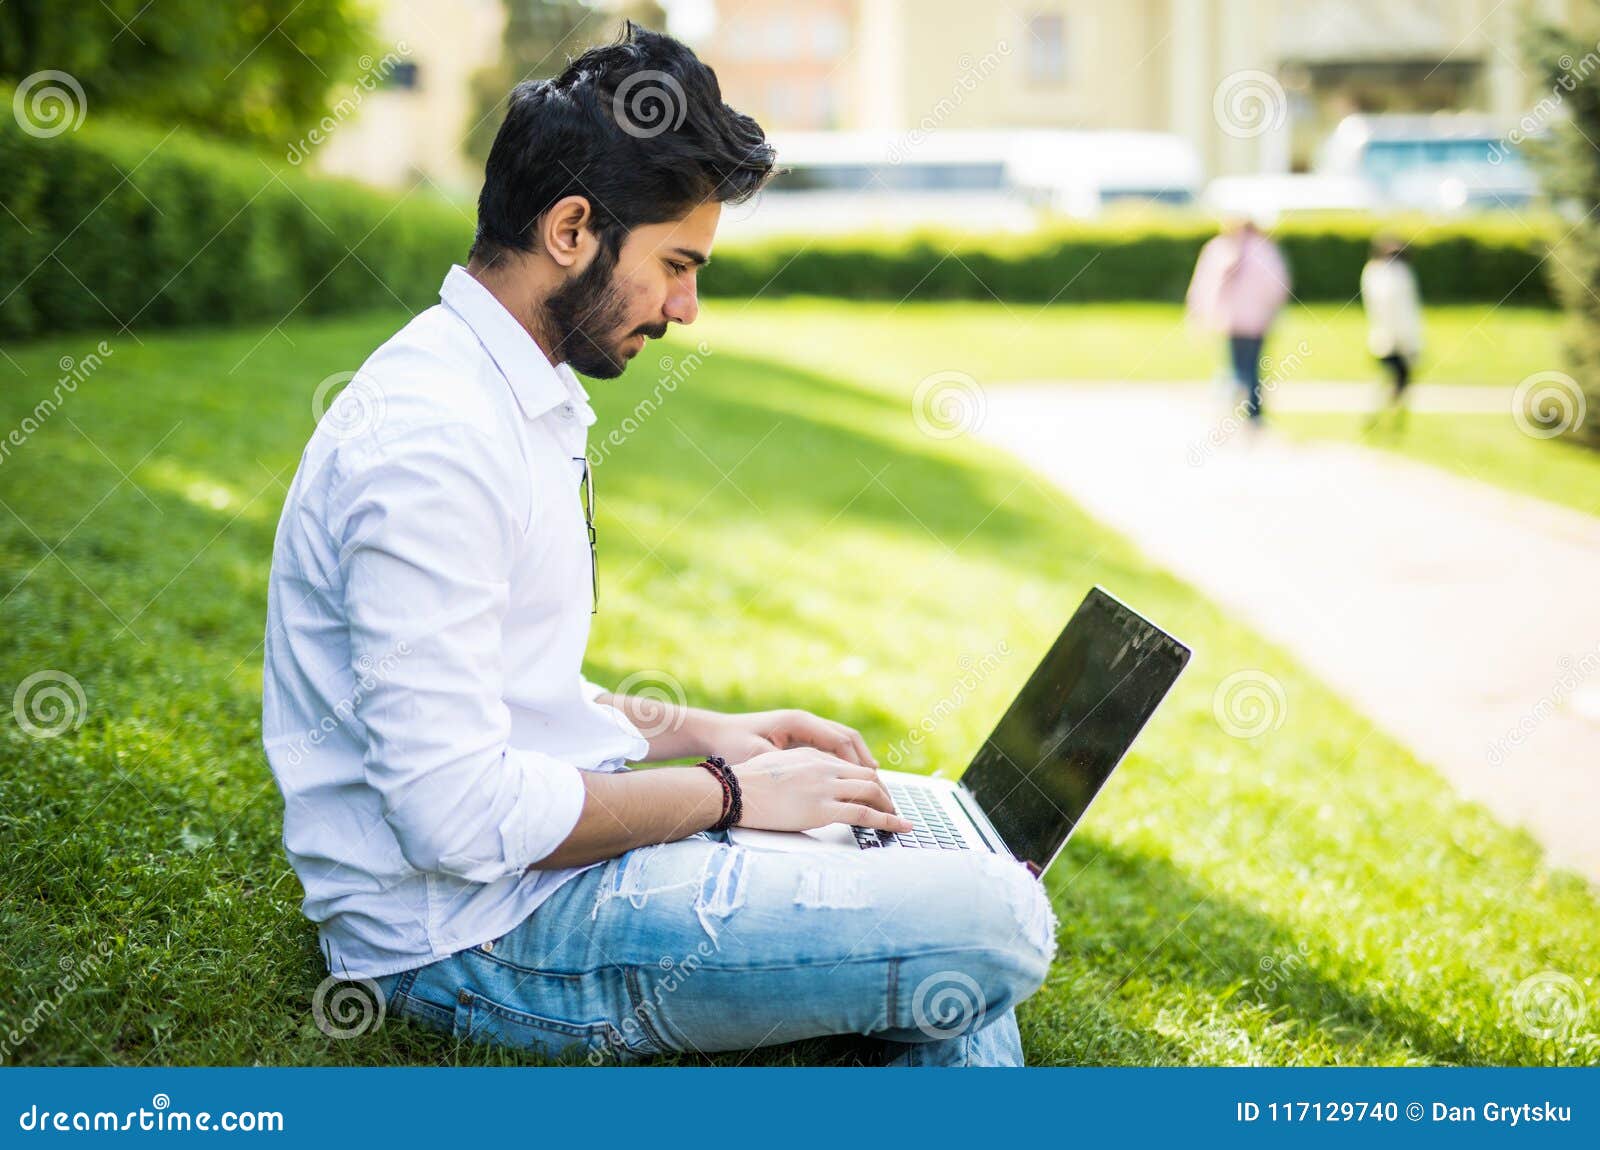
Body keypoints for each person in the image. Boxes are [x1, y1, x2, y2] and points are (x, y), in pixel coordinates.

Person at [260, 24, 1054, 1068]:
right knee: (995, 919)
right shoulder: (434, 442)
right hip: (468, 936)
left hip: (528, 880)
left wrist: (707, 729)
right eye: (676, 264)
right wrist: (729, 795)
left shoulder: (504, 385)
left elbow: (506, 691)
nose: (685, 307)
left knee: (947, 943)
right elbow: (450, 810)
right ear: (572, 228)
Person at [1185, 215, 1292, 426]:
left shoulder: (1219, 249)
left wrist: (1199, 314)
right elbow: (1278, 286)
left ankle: (1230, 410)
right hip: (1255, 320)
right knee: (1252, 367)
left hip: (1230, 319)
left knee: (1235, 367)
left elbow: (1203, 286)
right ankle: (1252, 414)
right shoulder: (1264, 250)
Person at [1359, 235, 1423, 433]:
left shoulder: (1374, 272)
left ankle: (1383, 420)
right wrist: (1408, 344)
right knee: (1396, 382)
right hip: (1394, 340)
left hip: (1383, 339)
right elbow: (1400, 313)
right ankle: (1390, 421)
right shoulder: (1393, 275)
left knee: (1391, 381)